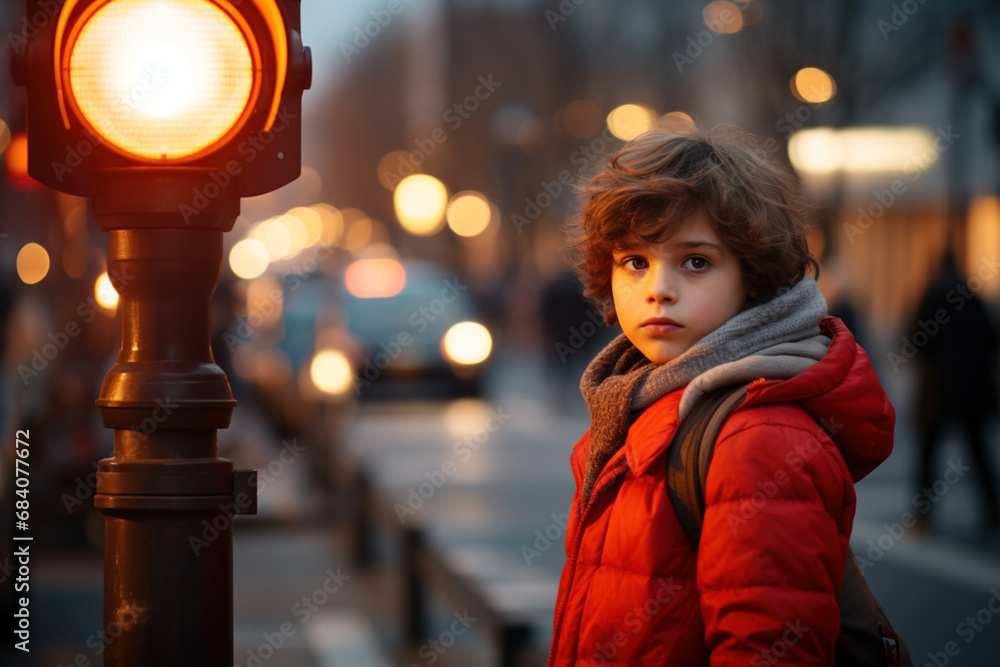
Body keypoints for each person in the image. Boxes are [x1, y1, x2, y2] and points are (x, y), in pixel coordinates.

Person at [548, 122, 896, 665]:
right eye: (634, 261)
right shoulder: (644, 399)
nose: (658, 288)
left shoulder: (759, 439)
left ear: (753, 274)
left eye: (696, 262)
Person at [911, 249, 1000, 536]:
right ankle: (991, 511)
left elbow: (915, 343)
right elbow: (991, 341)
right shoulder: (973, 299)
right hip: (971, 390)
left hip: (937, 393)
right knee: (979, 452)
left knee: (928, 454)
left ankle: (924, 516)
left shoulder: (931, 297)